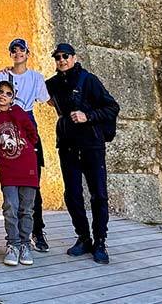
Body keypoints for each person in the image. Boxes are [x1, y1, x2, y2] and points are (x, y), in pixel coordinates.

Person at [46, 43, 120, 265]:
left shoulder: (89, 80)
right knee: (72, 195)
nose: (61, 60)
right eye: (58, 57)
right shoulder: (53, 84)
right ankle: (84, 237)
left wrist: (88, 116)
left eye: (65, 56)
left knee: (99, 195)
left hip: (92, 146)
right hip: (68, 146)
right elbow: (28, 87)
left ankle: (100, 241)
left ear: (74, 58)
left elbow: (112, 107)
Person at [0, 38, 52, 252]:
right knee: (11, 193)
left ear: (27, 53)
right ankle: (15, 241)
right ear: (10, 54)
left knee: (32, 185)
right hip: (5, 125)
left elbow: (48, 99)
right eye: (13, 50)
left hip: (26, 123)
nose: (17, 53)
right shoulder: (2, 76)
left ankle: (36, 232)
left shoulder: (35, 77)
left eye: (21, 49)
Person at [0, 80, 40, 267]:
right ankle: (13, 244)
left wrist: (26, 149)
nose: (3, 96)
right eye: (0, 92)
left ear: (13, 98)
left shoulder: (19, 112)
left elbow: (32, 134)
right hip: (8, 169)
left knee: (27, 208)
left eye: (8, 93)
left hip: (27, 167)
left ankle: (25, 244)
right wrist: (3, 157)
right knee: (10, 207)